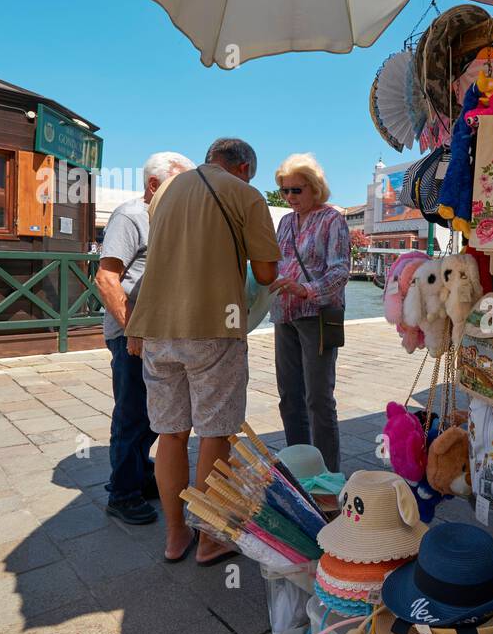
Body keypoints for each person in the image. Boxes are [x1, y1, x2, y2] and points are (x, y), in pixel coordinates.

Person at [126, 138, 280, 565]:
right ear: (245, 167)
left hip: (157, 327)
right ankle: (210, 538)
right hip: (215, 324)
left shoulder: (167, 193)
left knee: (171, 435)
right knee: (215, 432)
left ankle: (176, 536)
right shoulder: (245, 193)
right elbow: (266, 272)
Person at [95, 151, 194, 525]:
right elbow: (106, 279)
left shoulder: (170, 217)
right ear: (154, 185)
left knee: (157, 416)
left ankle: (139, 475)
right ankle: (122, 493)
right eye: (179, 185)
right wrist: (132, 328)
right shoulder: (131, 215)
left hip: (160, 334)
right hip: (132, 334)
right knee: (134, 415)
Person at [271, 153, 350, 472]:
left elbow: (341, 270)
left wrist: (306, 290)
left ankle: (328, 472)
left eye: (296, 190)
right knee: (289, 395)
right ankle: (299, 465)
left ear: (314, 188)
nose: (290, 197)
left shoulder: (332, 219)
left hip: (316, 316)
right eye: (284, 191)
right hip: (284, 315)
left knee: (318, 399)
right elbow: (277, 261)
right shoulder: (285, 221)